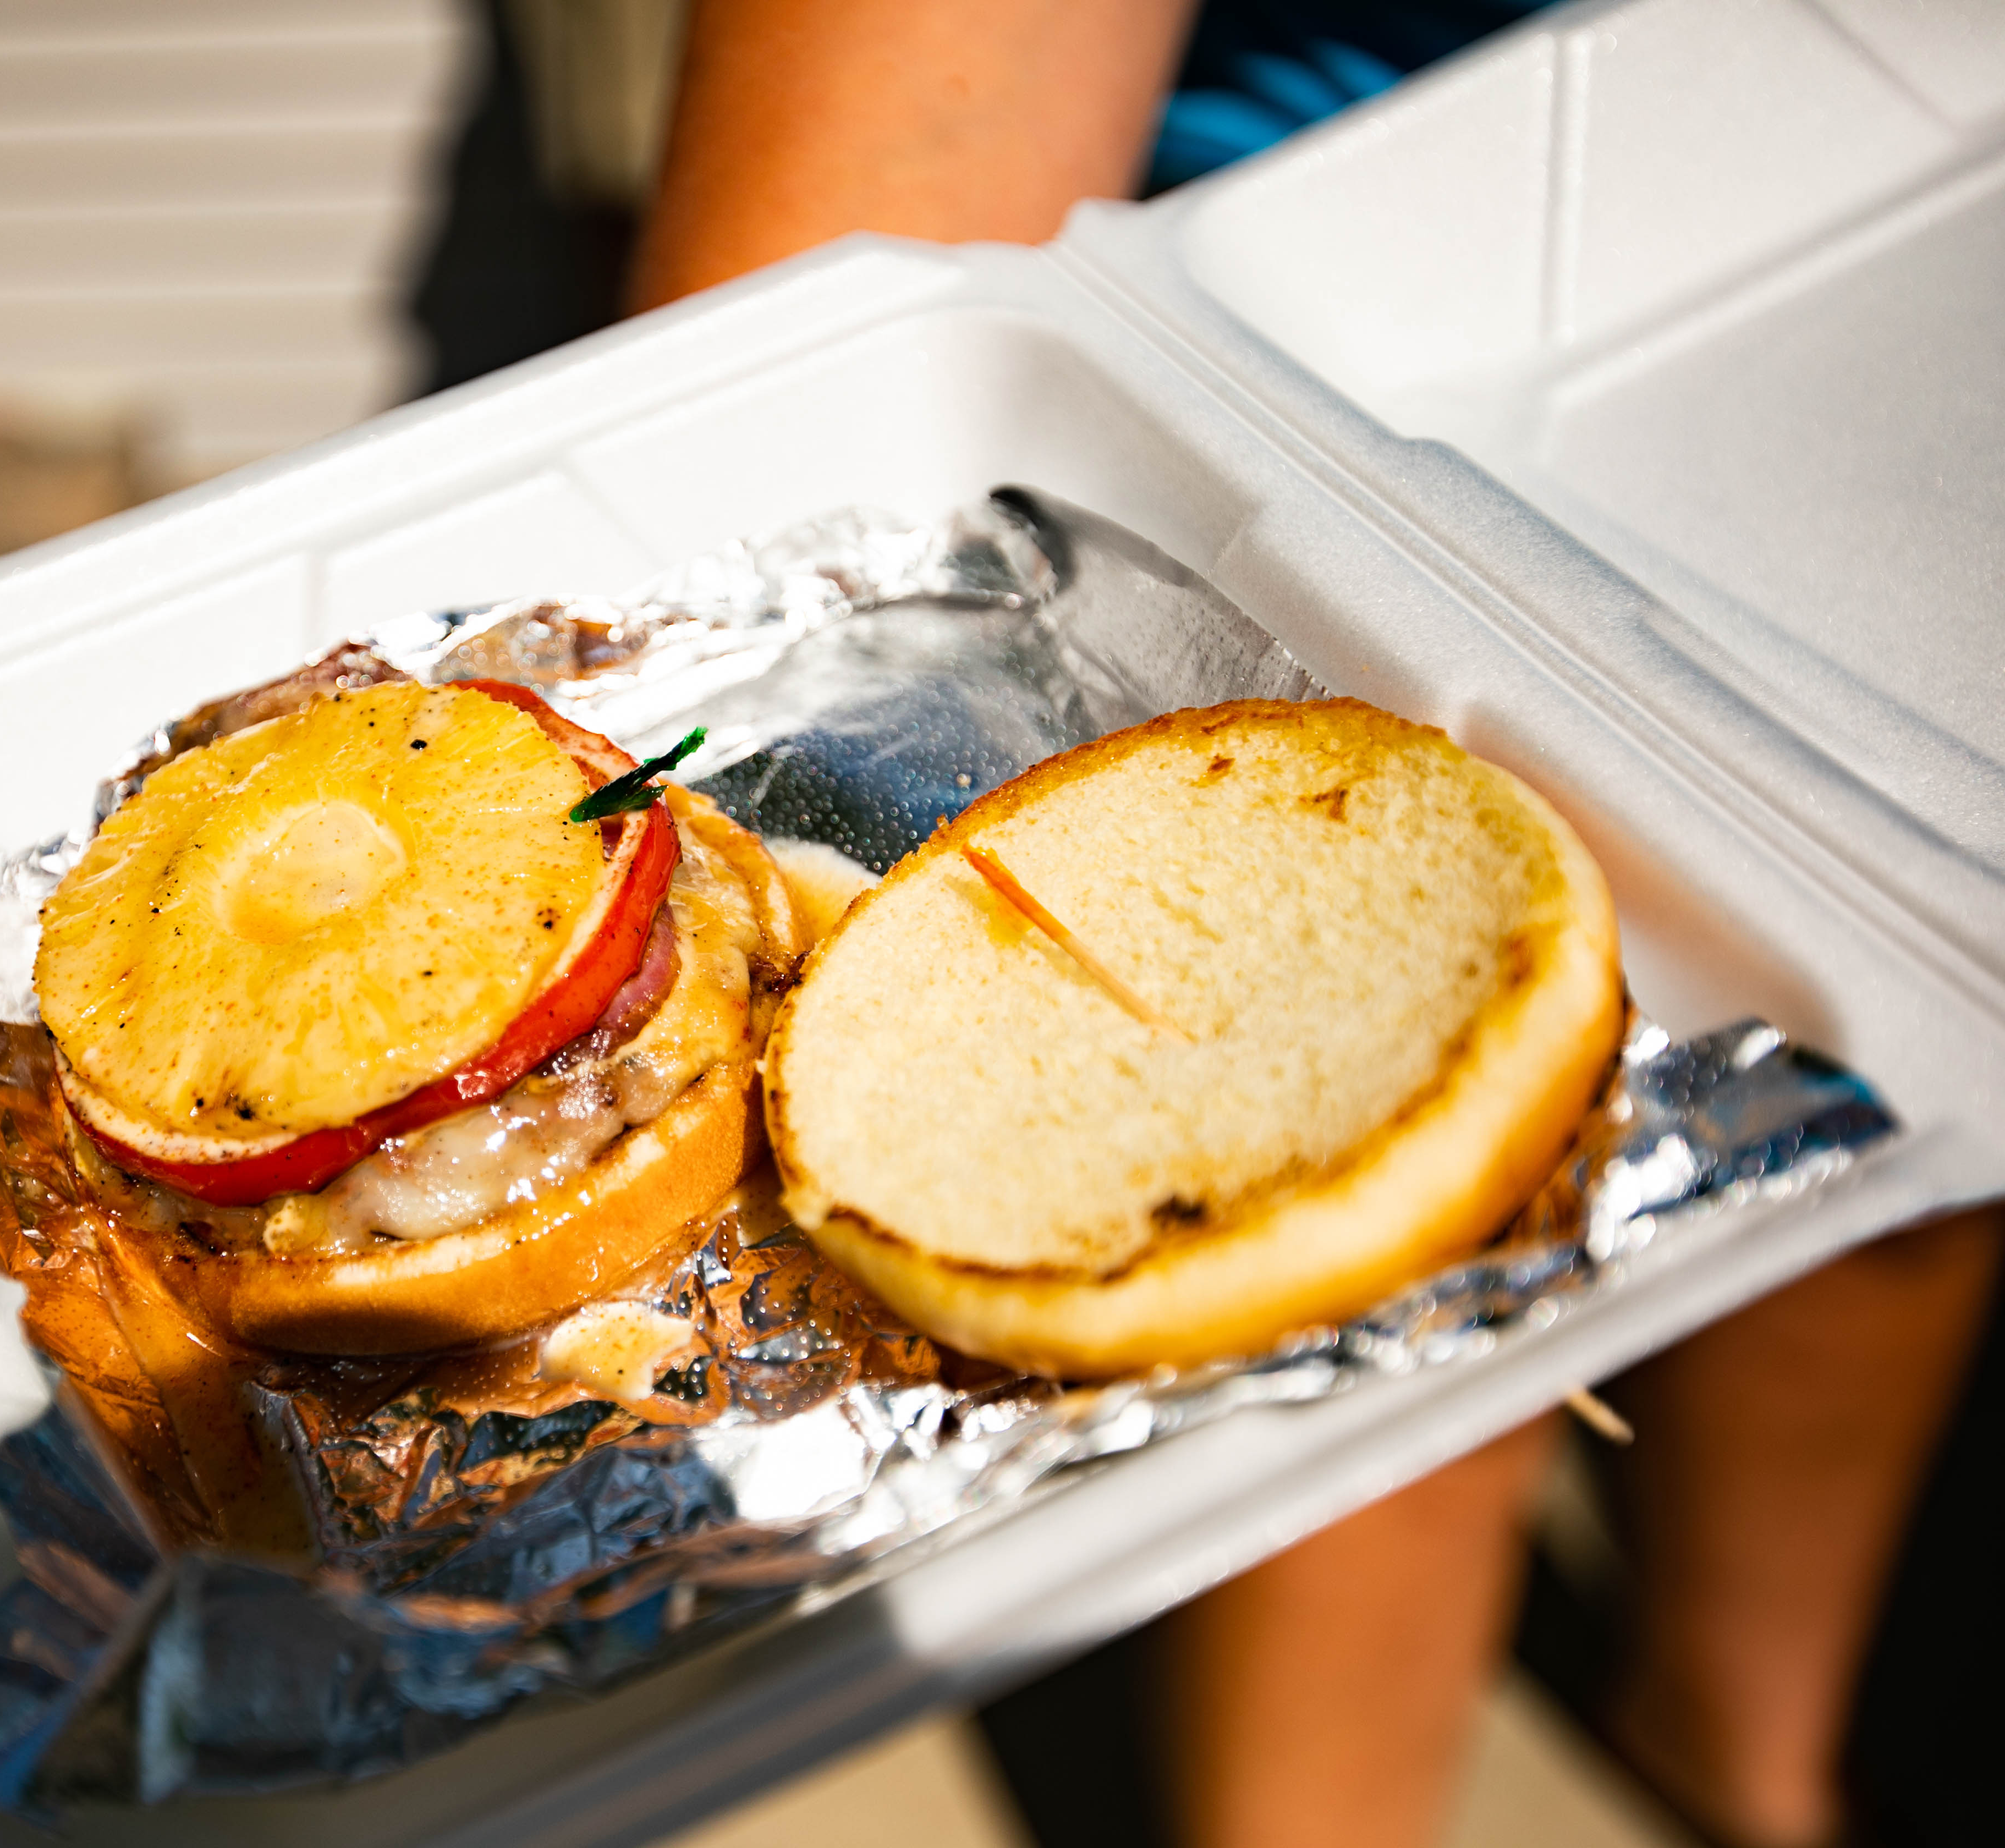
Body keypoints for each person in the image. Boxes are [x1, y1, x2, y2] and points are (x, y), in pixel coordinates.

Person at [629, 5, 2005, 1844]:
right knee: (1397, 1347)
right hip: (1290, 306)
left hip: (1878, 338)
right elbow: (821, 286)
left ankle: (1739, 1748)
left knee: (1905, 1124)